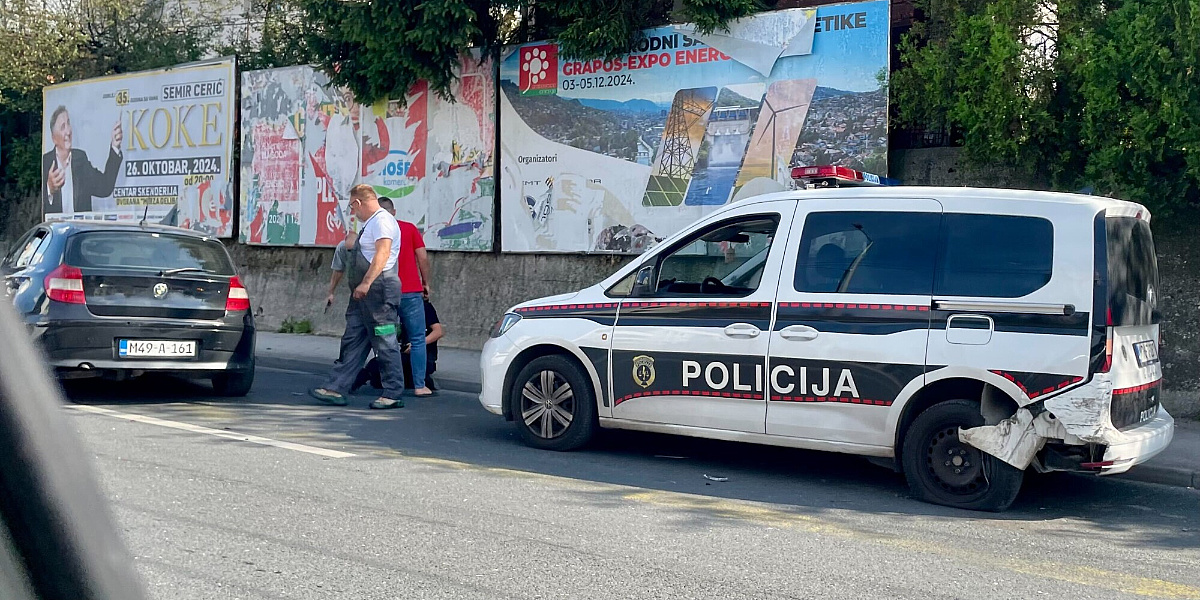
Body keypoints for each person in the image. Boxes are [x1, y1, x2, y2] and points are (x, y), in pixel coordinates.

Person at [309, 185, 406, 410]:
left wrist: (366, 282)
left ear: (358, 203)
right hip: (362, 296)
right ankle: (336, 387)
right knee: (353, 339)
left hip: (379, 290)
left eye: (352, 207)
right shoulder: (370, 223)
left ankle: (392, 392)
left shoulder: (382, 221)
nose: (353, 212)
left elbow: (382, 253)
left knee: (384, 341)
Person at [376, 197, 435, 398]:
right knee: (418, 338)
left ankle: (390, 384)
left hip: (384, 293)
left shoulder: (374, 231)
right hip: (410, 292)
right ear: (393, 212)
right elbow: (423, 257)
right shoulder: (409, 229)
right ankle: (420, 385)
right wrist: (425, 283)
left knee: (386, 337)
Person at [355, 291, 443, 393]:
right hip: (403, 353)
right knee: (380, 373)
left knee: (376, 365)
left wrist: (418, 343)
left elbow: (438, 331)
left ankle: (420, 380)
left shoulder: (425, 307)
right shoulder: (394, 309)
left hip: (423, 355)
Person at [41, 106, 124, 215]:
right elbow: (37, 209)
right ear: (54, 138)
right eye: (62, 127)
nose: (68, 131)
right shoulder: (45, 163)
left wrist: (115, 147)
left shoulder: (80, 159)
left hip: (79, 231)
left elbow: (105, 187)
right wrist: (49, 189)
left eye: (68, 123)